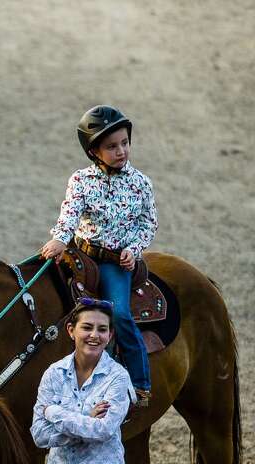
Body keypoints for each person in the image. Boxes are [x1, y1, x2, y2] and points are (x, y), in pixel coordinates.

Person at [40, 105, 157, 407]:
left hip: (115, 262)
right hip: (82, 254)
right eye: (112, 146)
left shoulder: (141, 183)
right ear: (94, 152)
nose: (121, 151)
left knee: (119, 314)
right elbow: (70, 214)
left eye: (125, 143)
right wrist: (59, 239)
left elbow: (148, 223)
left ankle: (140, 383)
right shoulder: (81, 180)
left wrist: (133, 249)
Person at [31, 299, 132, 464]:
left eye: (102, 329)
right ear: (71, 330)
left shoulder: (118, 378)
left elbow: (103, 430)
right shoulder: (53, 374)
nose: (94, 335)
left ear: (110, 335)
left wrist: (55, 413)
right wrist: (85, 418)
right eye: (87, 327)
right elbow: (39, 435)